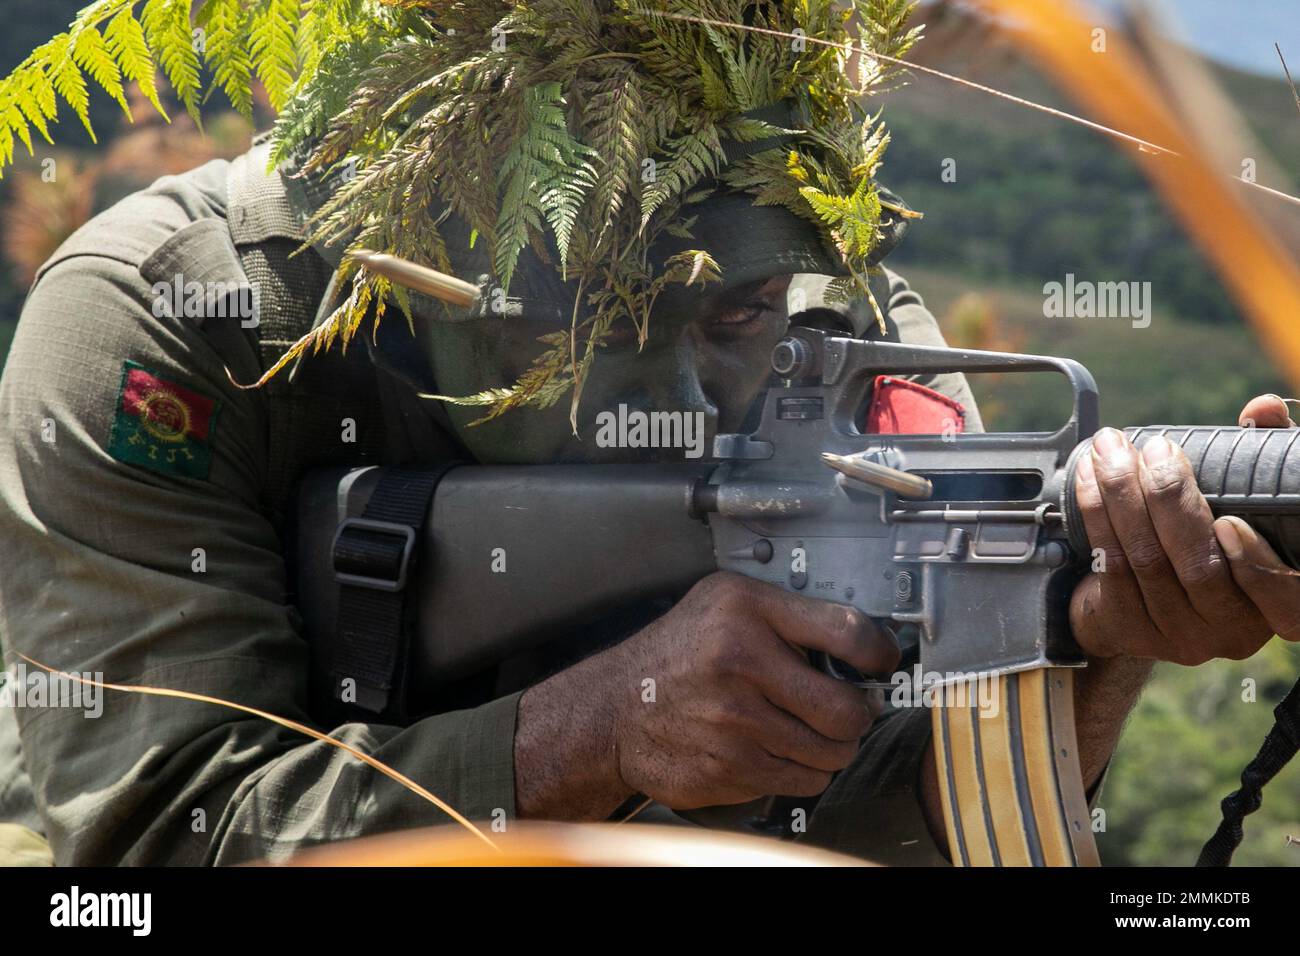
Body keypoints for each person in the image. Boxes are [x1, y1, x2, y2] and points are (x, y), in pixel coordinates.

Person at [2, 4, 1298, 867]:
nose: (680, 390)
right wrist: (591, 731)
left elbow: (919, 827)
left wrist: (1088, 640)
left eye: (730, 309)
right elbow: (140, 857)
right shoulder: (175, 316)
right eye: (596, 309)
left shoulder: (837, 317)